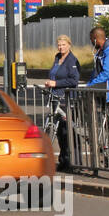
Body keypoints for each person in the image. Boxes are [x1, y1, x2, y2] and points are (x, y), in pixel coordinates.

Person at [45, 35, 81, 172]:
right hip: (55, 98)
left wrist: (56, 83)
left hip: (66, 100)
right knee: (60, 132)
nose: (61, 47)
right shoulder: (57, 58)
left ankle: (74, 162)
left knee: (68, 131)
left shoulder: (72, 60)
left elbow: (74, 81)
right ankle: (63, 161)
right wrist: (50, 83)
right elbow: (54, 74)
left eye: (63, 45)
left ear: (69, 45)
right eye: (59, 45)